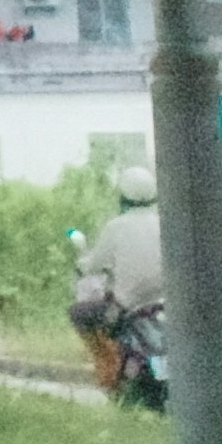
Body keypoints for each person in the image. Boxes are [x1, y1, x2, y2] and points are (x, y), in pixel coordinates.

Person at [70, 164, 167, 403]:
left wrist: (82, 265)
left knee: (79, 313)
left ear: (123, 196)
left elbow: (94, 263)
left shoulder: (116, 227)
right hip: (166, 302)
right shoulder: (164, 222)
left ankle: (108, 369)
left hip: (128, 305)